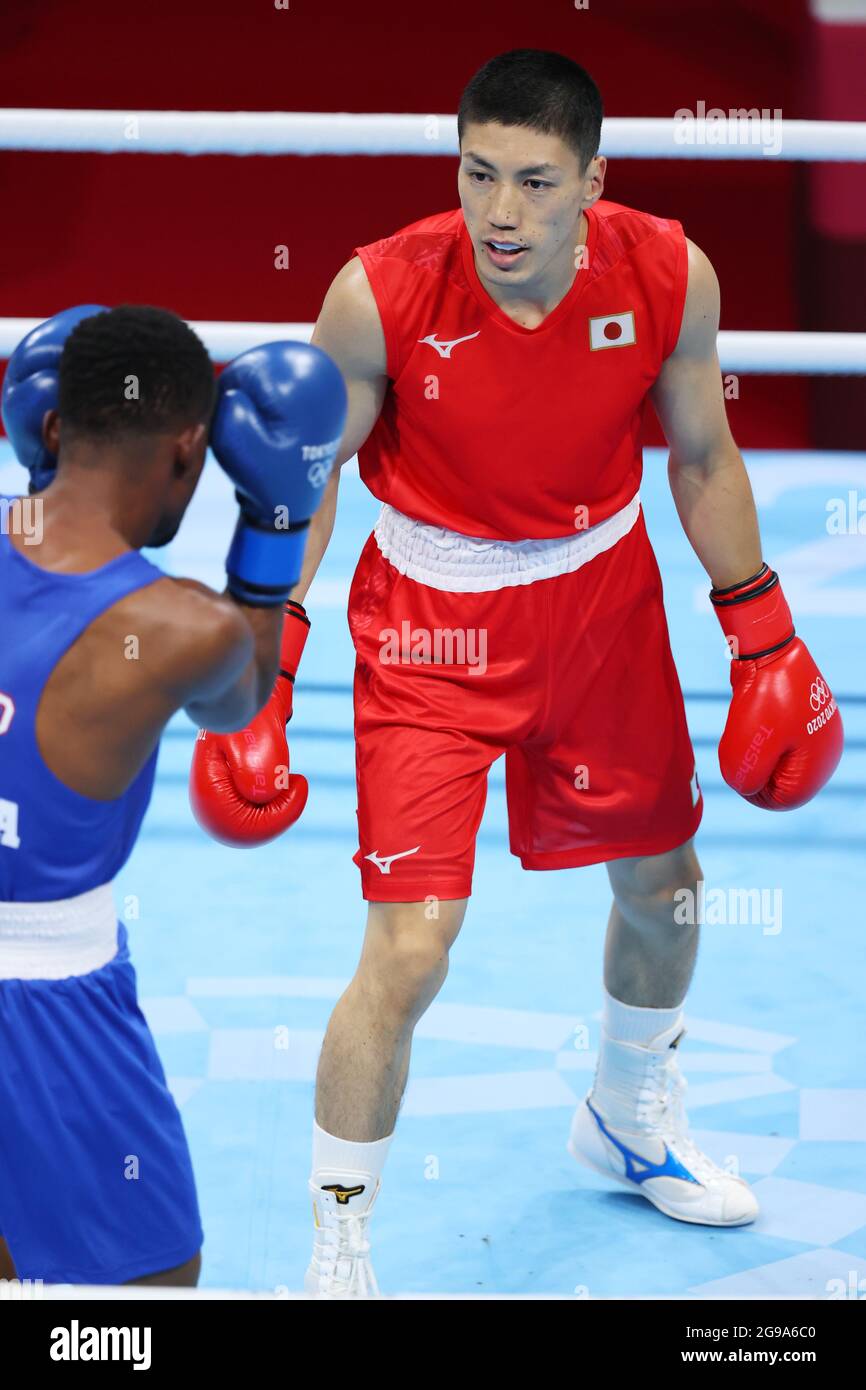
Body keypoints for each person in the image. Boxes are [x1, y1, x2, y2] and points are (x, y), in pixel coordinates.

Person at [191, 49, 843, 1296]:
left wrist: (760, 628)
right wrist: (267, 659)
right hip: (430, 625)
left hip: (599, 605)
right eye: (478, 173)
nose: (500, 211)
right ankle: (338, 1241)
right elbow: (316, 474)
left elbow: (700, 452)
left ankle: (627, 1114)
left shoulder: (667, 271)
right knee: (411, 949)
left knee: (666, 887)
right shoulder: (378, 292)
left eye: (535, 183)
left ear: (592, 179)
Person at [0, 304, 346, 1286]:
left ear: (50, 427)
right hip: (46, 999)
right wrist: (274, 520)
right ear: (191, 452)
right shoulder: (188, 630)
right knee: (154, 1281)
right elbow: (240, 708)